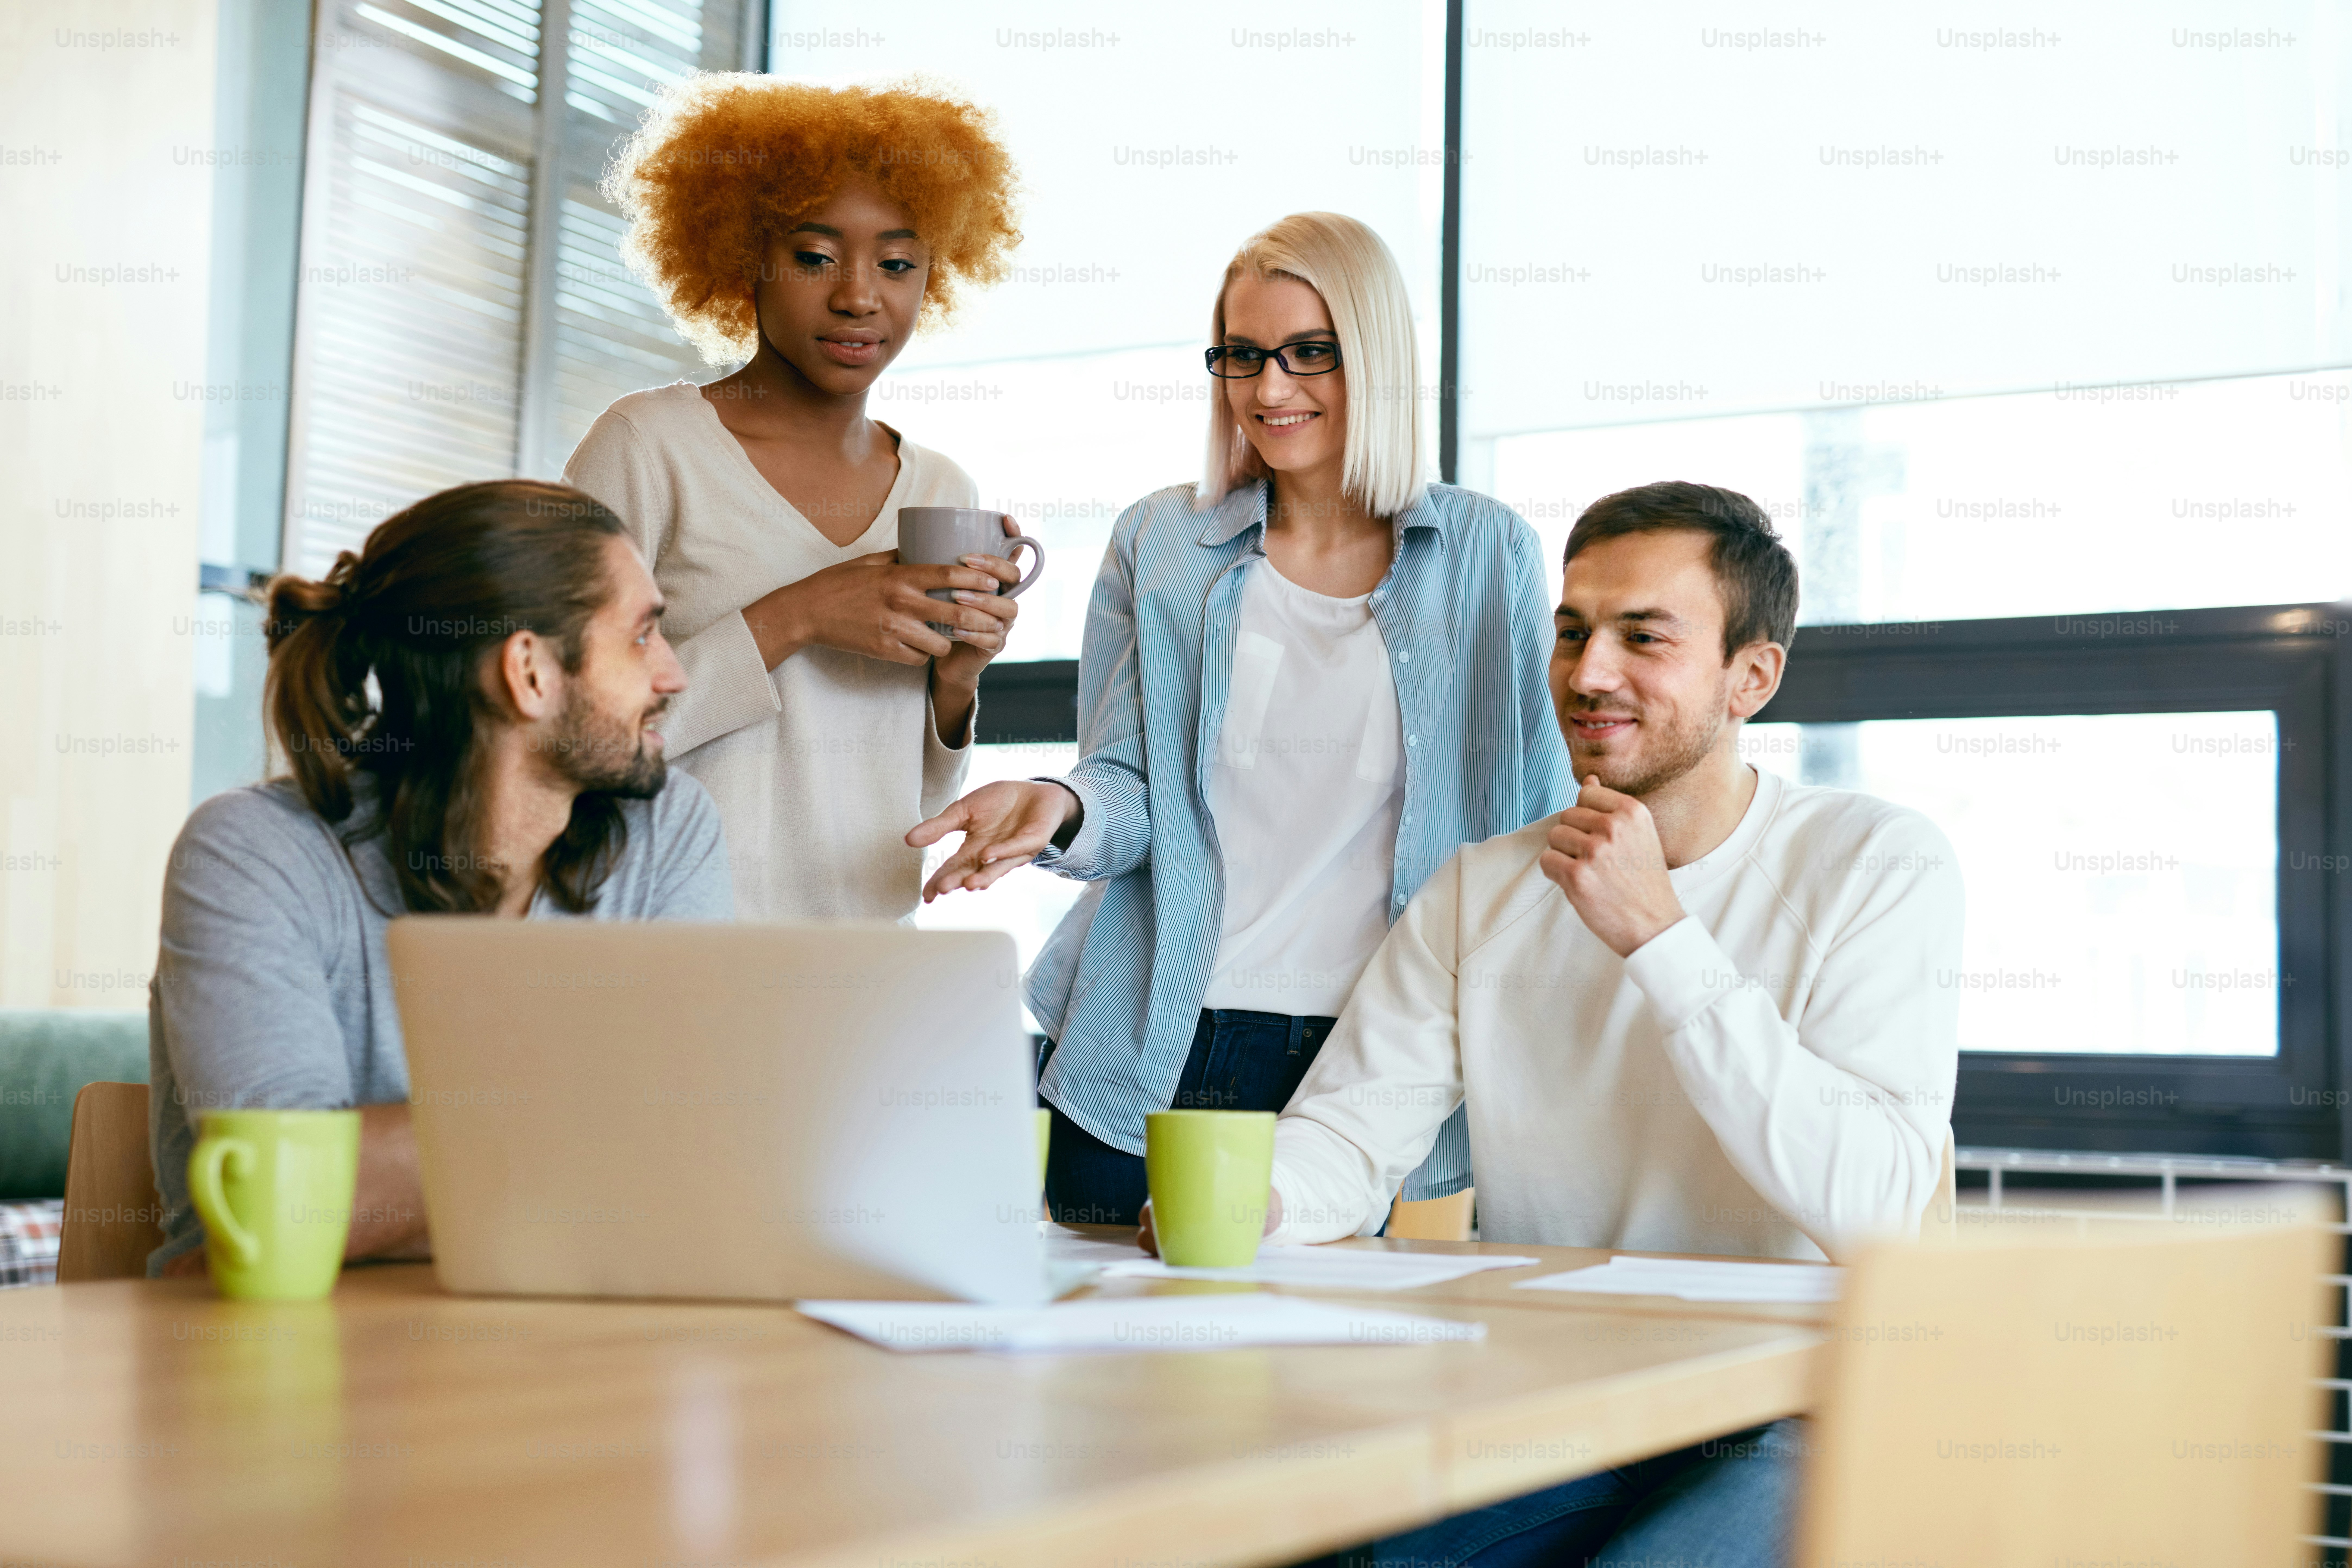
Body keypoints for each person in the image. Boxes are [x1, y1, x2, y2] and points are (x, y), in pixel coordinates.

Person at [1222, 481, 1966, 1566]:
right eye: (1571, 632)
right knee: (1328, 1546)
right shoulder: (1482, 887)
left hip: (1806, 1412)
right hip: (1561, 1408)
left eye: (1641, 638)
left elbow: (1880, 1207)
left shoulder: (1876, 862)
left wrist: (1661, 940)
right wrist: (1261, 1195)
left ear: (1749, 676)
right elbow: (1349, 1132)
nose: (1587, 674)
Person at [908, 212, 1573, 1225]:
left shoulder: (1486, 554)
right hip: (1150, 1047)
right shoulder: (1163, 541)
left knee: (1327, 1383)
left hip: (1364, 1069)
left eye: (1311, 355)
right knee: (1110, 1378)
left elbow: (1525, 810)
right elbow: (1128, 781)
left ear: (1377, 360)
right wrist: (1059, 806)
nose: (1269, 391)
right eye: (1242, 356)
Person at [148, 480, 732, 1276]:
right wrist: (610, 1134)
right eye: (641, 637)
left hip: (570, 1349)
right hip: (277, 1363)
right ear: (530, 671)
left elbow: (703, 1160)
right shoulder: (252, 854)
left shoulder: (665, 830)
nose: (673, 676)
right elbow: (285, 1205)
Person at [566, 75, 1030, 920]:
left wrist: (957, 684)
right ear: (744, 258)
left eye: (897, 264)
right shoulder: (648, 446)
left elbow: (914, 799)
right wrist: (799, 617)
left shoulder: (939, 488)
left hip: (864, 957)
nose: (859, 296)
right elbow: (571, 739)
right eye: (814, 258)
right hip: (672, 941)